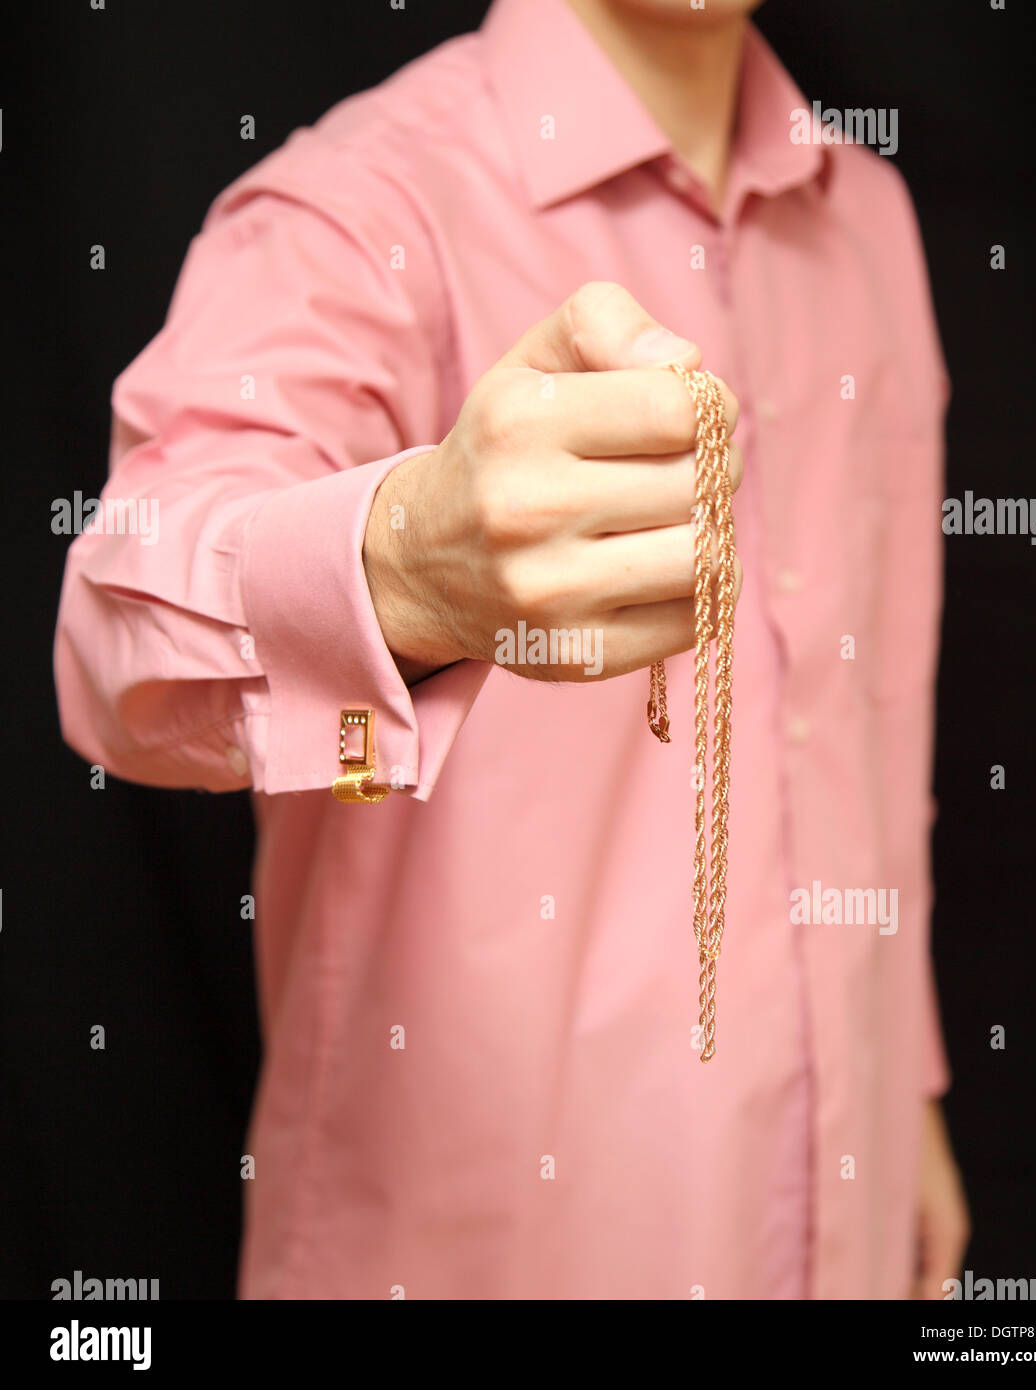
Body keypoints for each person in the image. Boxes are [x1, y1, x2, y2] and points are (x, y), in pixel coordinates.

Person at [54, 0, 969, 1299]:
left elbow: (871, 727)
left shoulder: (868, 220)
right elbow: (115, 641)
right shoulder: (362, 202)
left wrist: (896, 1089)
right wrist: (404, 567)